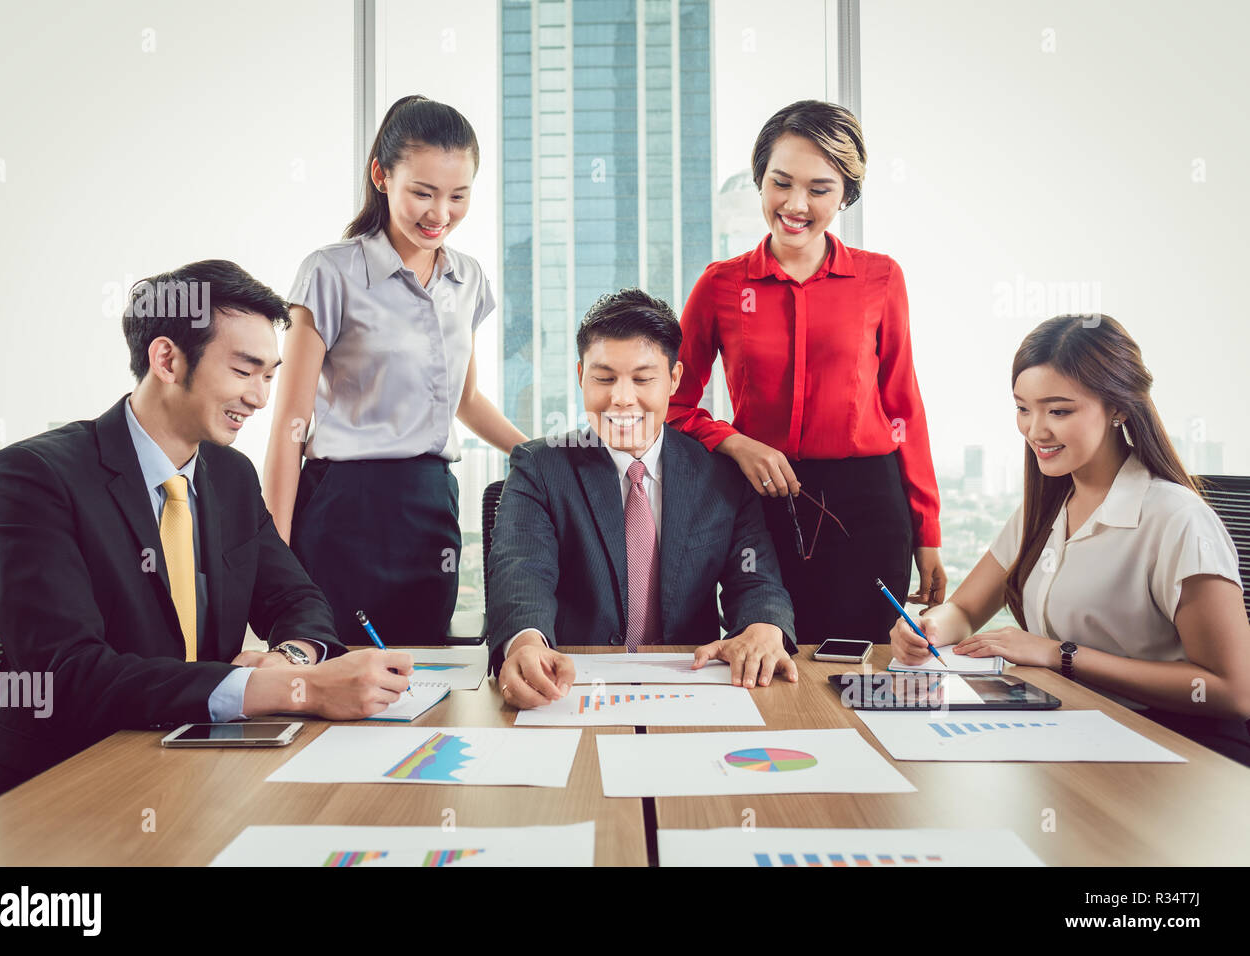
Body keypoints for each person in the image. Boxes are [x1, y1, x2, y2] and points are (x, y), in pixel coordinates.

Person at [0, 261, 414, 818]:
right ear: (167, 359)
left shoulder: (230, 476)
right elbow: (64, 672)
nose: (261, 398)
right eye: (244, 370)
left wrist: (289, 659)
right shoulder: (33, 477)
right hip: (55, 787)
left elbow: (297, 598)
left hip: (194, 775)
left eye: (270, 375)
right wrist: (299, 691)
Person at [891, 314, 1250, 763]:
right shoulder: (1046, 509)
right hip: (1070, 727)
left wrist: (1058, 654)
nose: (1036, 430)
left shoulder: (1176, 519)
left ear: (1119, 407)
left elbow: (1233, 692)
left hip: (1172, 746)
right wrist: (929, 628)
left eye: (1058, 411)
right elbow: (965, 609)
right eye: (1024, 408)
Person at [668, 100, 945, 644]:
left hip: (869, 509)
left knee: (864, 675)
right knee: (766, 664)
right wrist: (734, 443)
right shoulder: (720, 286)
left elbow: (903, 408)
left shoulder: (880, 279)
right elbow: (672, 405)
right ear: (759, 180)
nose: (796, 204)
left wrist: (927, 531)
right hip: (760, 506)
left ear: (846, 194)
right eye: (781, 183)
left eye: (819, 189)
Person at [263, 95, 527, 646]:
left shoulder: (469, 278)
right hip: (347, 509)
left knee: (422, 679)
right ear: (381, 176)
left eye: (459, 195)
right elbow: (291, 421)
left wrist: (538, 457)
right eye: (423, 193)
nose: (441, 214)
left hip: (432, 508)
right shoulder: (329, 273)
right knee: (335, 674)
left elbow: (466, 399)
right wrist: (274, 554)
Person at [489, 289, 797, 709]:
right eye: (603, 377)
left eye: (641, 378)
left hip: (689, 688)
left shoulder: (721, 475)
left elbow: (757, 579)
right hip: (572, 689)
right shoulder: (540, 467)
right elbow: (522, 571)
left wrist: (764, 627)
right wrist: (524, 642)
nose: (621, 398)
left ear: (673, 379)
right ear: (580, 375)